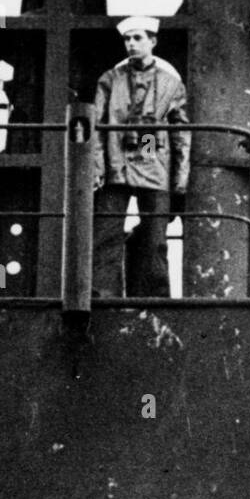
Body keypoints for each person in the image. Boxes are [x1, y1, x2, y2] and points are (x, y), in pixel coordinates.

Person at [92, 15, 191, 297]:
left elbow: (181, 133)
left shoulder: (171, 84)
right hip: (115, 166)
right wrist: (98, 168)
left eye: (138, 38)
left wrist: (179, 182)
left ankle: (154, 298)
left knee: (154, 238)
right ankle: (102, 296)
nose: (132, 44)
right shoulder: (110, 81)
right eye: (127, 39)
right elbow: (97, 128)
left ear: (153, 42)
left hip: (153, 162)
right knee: (106, 234)